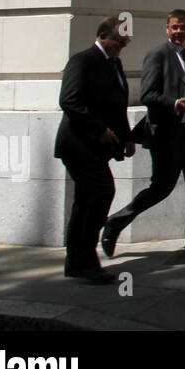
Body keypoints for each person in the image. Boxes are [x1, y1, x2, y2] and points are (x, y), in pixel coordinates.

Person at [101, 10, 185, 258]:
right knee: (161, 188)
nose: (179, 32)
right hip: (168, 136)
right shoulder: (157, 55)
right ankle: (115, 222)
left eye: (183, 27)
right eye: (174, 28)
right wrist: (173, 104)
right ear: (167, 29)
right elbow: (147, 94)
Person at [54, 16, 135, 283]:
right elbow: (69, 101)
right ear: (102, 35)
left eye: (125, 44)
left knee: (86, 201)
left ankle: (77, 260)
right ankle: (84, 259)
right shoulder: (83, 60)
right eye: (117, 42)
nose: (120, 48)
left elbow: (117, 105)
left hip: (96, 147)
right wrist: (98, 129)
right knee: (101, 192)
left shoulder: (114, 64)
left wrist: (126, 137)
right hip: (78, 144)